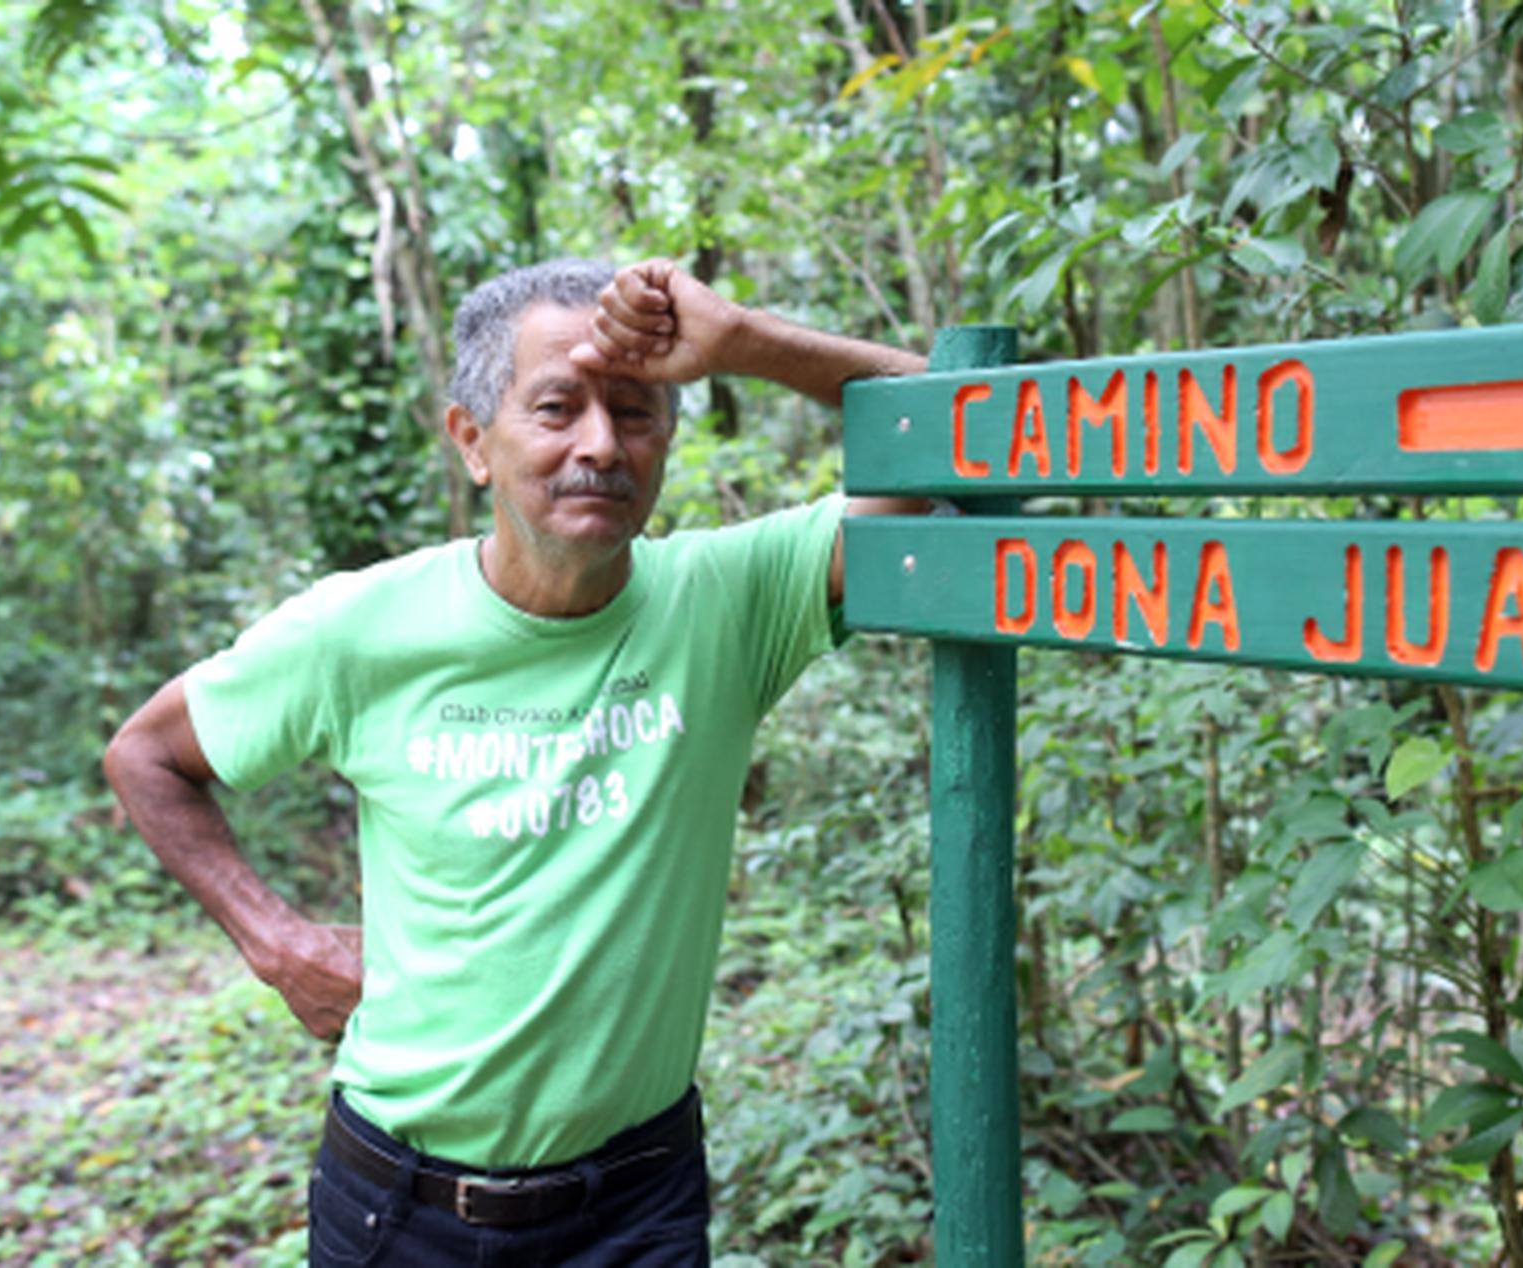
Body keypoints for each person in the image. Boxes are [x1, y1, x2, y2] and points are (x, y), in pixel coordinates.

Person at [100, 258, 927, 1265]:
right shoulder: (359, 628)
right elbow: (146, 753)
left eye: (634, 412)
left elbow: (952, 451)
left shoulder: (728, 601)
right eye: (555, 406)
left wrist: (742, 341)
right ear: (471, 441)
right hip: (398, 1209)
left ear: (667, 440)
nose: (599, 443)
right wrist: (273, 939)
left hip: (637, 1208)